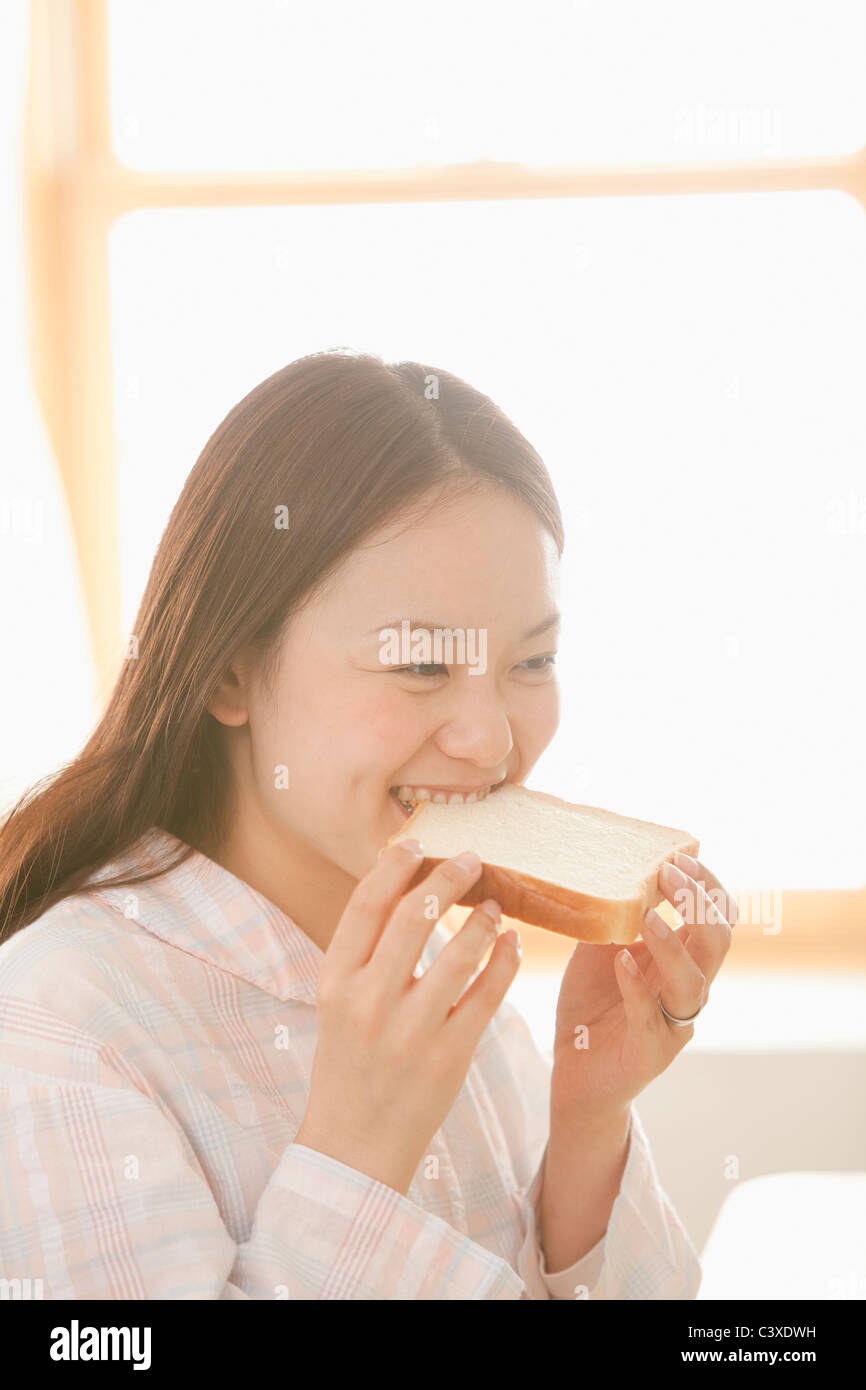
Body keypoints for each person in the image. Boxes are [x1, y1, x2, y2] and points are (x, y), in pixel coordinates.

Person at [0, 349, 735, 1299]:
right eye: (421, 666)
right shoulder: (55, 1033)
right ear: (230, 672)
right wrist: (355, 1154)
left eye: (534, 660)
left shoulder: (447, 968)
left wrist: (587, 1124)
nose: (490, 738)